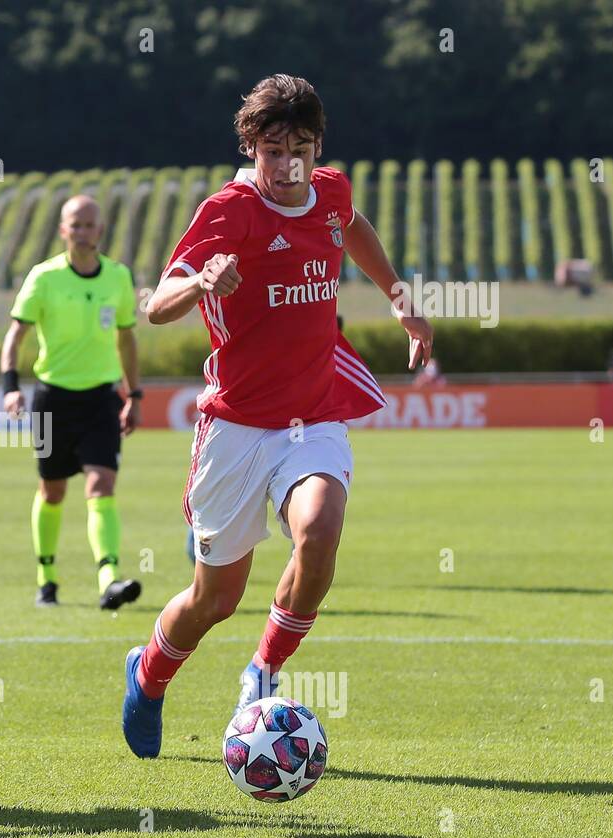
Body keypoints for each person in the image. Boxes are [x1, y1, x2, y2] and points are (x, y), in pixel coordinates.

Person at [123, 74, 434, 760]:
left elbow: (351, 227)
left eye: (300, 146)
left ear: (318, 146)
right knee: (214, 601)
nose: (287, 163)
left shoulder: (331, 192)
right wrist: (202, 281)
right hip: (235, 428)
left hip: (312, 417)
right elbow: (157, 304)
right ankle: (147, 675)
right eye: (272, 149)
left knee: (319, 531)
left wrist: (398, 296)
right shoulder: (229, 212)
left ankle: (261, 672)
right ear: (251, 150)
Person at [1, 195, 144, 611]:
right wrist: (11, 386)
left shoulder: (118, 278)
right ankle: (47, 578)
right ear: (63, 230)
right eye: (74, 225)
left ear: (101, 230)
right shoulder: (43, 278)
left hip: (101, 399)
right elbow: (15, 336)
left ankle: (109, 580)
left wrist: (133, 394)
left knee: (102, 484)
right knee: (53, 490)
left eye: (89, 225)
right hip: (51, 401)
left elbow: (126, 339)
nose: (82, 232)